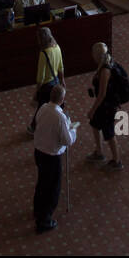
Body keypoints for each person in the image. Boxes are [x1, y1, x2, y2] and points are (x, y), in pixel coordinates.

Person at [33, 84, 77, 234]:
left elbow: (38, 123)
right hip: (51, 156)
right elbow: (67, 140)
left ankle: (37, 210)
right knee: (52, 188)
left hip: (38, 151)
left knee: (41, 183)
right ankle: (44, 219)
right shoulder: (60, 117)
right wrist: (73, 130)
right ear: (62, 99)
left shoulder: (43, 108)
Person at [85, 41, 124, 170]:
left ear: (98, 55)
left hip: (107, 107)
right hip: (105, 104)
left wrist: (92, 110)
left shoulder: (105, 70)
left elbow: (102, 94)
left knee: (109, 133)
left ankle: (117, 161)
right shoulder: (105, 63)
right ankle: (99, 152)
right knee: (95, 124)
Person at [30, 26, 64, 132]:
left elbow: (41, 76)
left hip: (46, 86)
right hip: (55, 82)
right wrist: (62, 81)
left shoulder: (43, 53)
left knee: (41, 107)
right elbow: (60, 66)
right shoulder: (57, 47)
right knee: (55, 106)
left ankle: (33, 127)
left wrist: (36, 91)